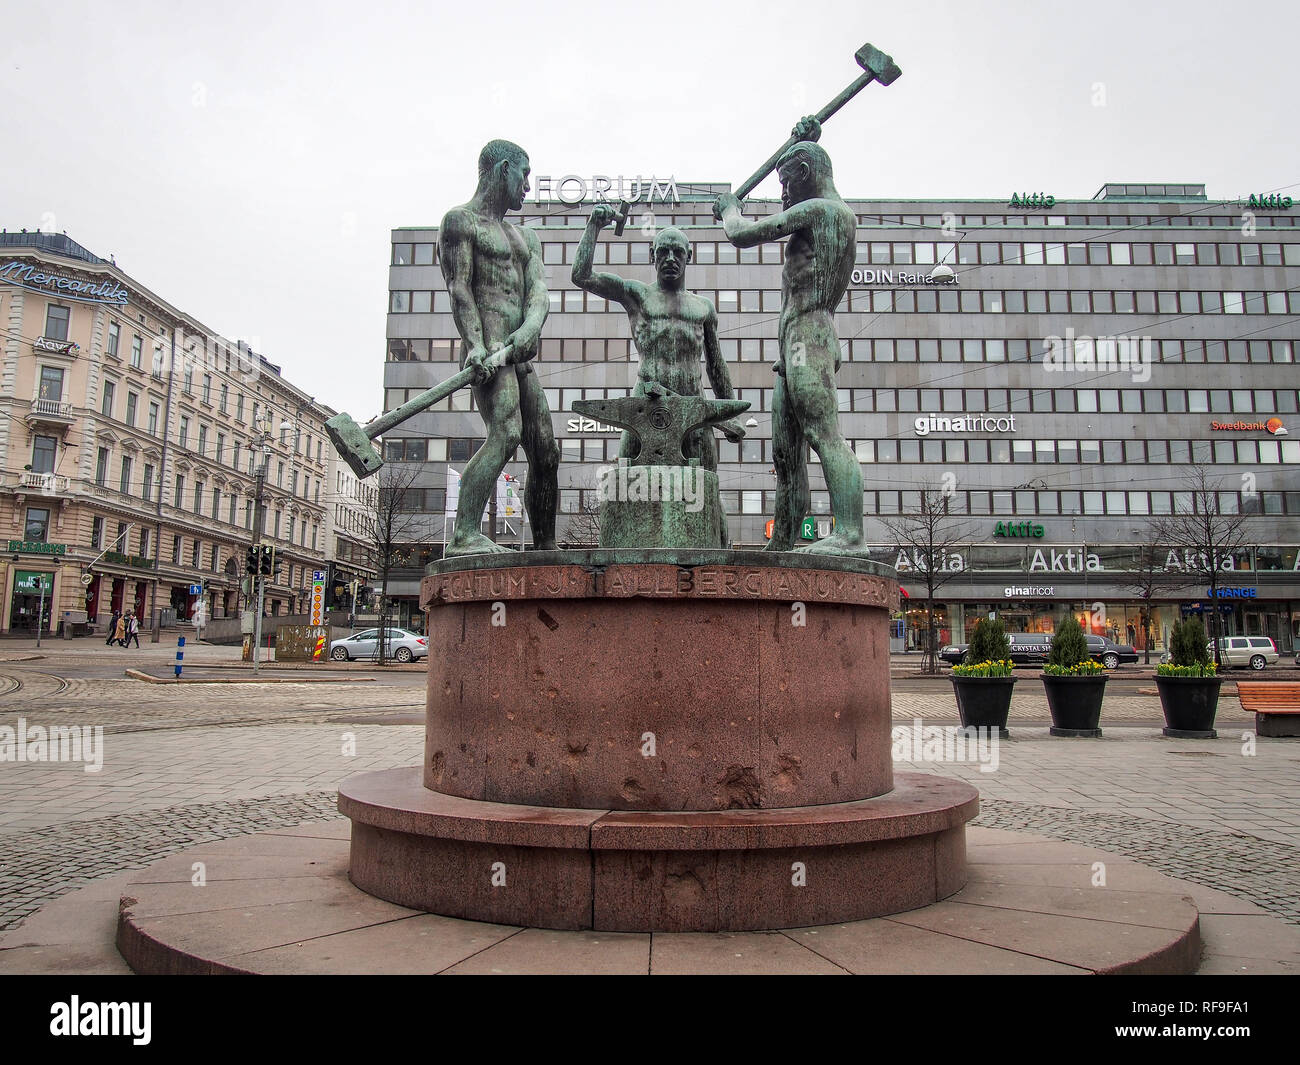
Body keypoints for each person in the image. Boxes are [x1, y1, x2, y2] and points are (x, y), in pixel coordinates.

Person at [714, 117, 865, 555]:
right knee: (786, 455)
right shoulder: (823, 211)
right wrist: (798, 141)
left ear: (804, 174)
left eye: (785, 182)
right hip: (791, 344)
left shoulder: (824, 211)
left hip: (810, 335)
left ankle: (851, 535)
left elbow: (742, 234)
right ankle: (781, 544)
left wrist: (728, 207)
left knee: (823, 434)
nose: (782, 194)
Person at [571, 208, 744, 547]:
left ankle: (720, 564)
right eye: (662, 251)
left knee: (707, 489)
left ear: (688, 257)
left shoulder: (703, 307)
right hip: (644, 408)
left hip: (694, 412)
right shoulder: (637, 294)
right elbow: (582, 275)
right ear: (651, 256)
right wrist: (594, 225)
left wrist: (730, 413)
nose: (669, 258)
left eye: (677, 252)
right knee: (625, 488)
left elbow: (715, 365)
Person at [438, 139, 558, 557]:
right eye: (524, 173)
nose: (528, 184)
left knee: (546, 450)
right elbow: (460, 289)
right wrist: (474, 345)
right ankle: (465, 534)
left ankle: (544, 546)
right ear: (503, 168)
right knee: (506, 433)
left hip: (519, 356)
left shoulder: (525, 237)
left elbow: (539, 292)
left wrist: (530, 326)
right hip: (488, 354)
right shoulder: (461, 222)